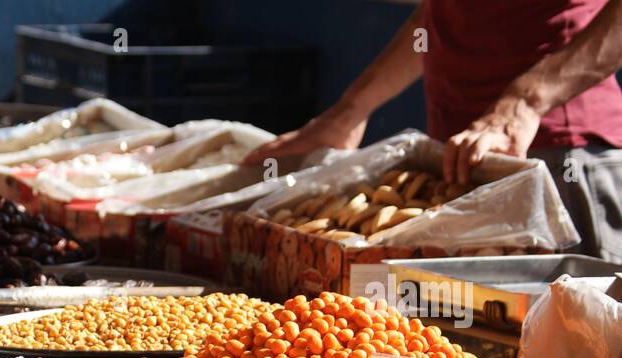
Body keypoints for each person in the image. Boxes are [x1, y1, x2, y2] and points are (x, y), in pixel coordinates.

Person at [244, 0, 622, 260]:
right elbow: (437, 17)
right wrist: (348, 112)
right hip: (454, 167)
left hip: (559, 159)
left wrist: (526, 100)